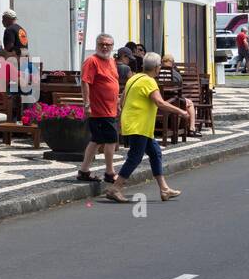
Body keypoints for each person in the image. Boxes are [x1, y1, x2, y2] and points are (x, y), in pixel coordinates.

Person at [103, 51, 195, 204]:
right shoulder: (149, 81)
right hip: (139, 125)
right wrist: (181, 111)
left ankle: (164, 189)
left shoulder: (135, 78)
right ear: (157, 68)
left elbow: (121, 100)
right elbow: (160, 102)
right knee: (135, 157)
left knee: (155, 153)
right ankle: (116, 188)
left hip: (137, 124)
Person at [76, 34, 119, 184]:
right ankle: (109, 172)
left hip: (110, 108)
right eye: (102, 44)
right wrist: (86, 104)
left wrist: (117, 101)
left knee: (97, 140)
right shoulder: (92, 61)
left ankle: (84, 171)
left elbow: (112, 82)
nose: (105, 47)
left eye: (108, 44)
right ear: (96, 45)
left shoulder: (111, 61)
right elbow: (85, 82)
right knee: (111, 139)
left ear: (112, 46)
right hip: (99, 109)